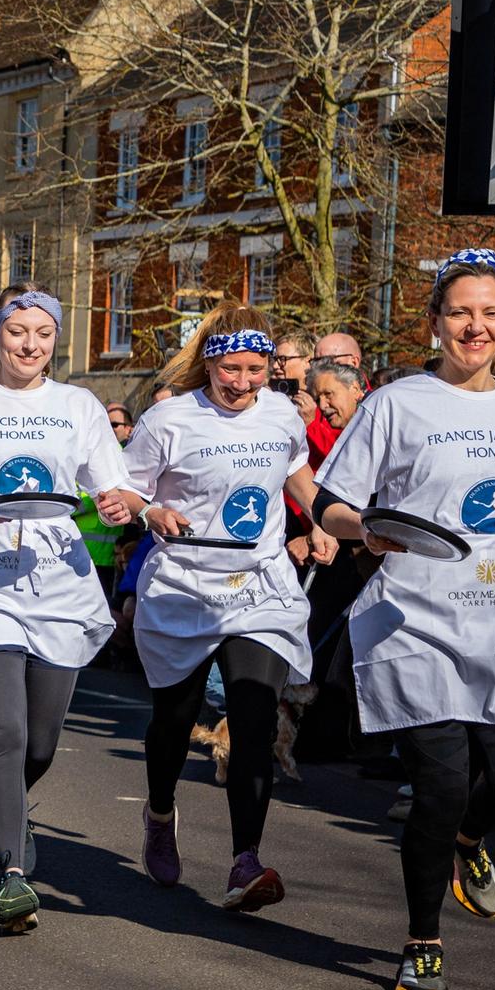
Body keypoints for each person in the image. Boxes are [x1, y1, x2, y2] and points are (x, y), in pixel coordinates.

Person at [313, 248, 495, 990]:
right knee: (442, 781)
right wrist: (370, 531)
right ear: (434, 323)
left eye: (490, 313)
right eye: (460, 312)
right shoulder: (397, 403)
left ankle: (468, 841)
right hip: (415, 621)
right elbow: (331, 505)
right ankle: (423, 941)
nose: (475, 326)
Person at [111, 303, 334, 912]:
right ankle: (160, 814)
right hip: (184, 585)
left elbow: (299, 478)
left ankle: (245, 861)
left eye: (255, 369)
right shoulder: (170, 419)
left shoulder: (283, 415)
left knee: (254, 718)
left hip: (258, 586)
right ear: (208, 362)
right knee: (174, 721)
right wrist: (149, 510)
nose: (241, 383)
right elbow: (128, 487)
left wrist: (325, 520)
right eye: (229, 369)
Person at [0, 289, 132, 931]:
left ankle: (17, 808)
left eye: (43, 333)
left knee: (40, 741)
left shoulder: (78, 405)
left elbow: (111, 483)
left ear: (56, 340)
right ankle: (13, 873)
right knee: (8, 731)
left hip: (60, 582)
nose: (30, 344)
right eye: (18, 331)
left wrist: (123, 505)